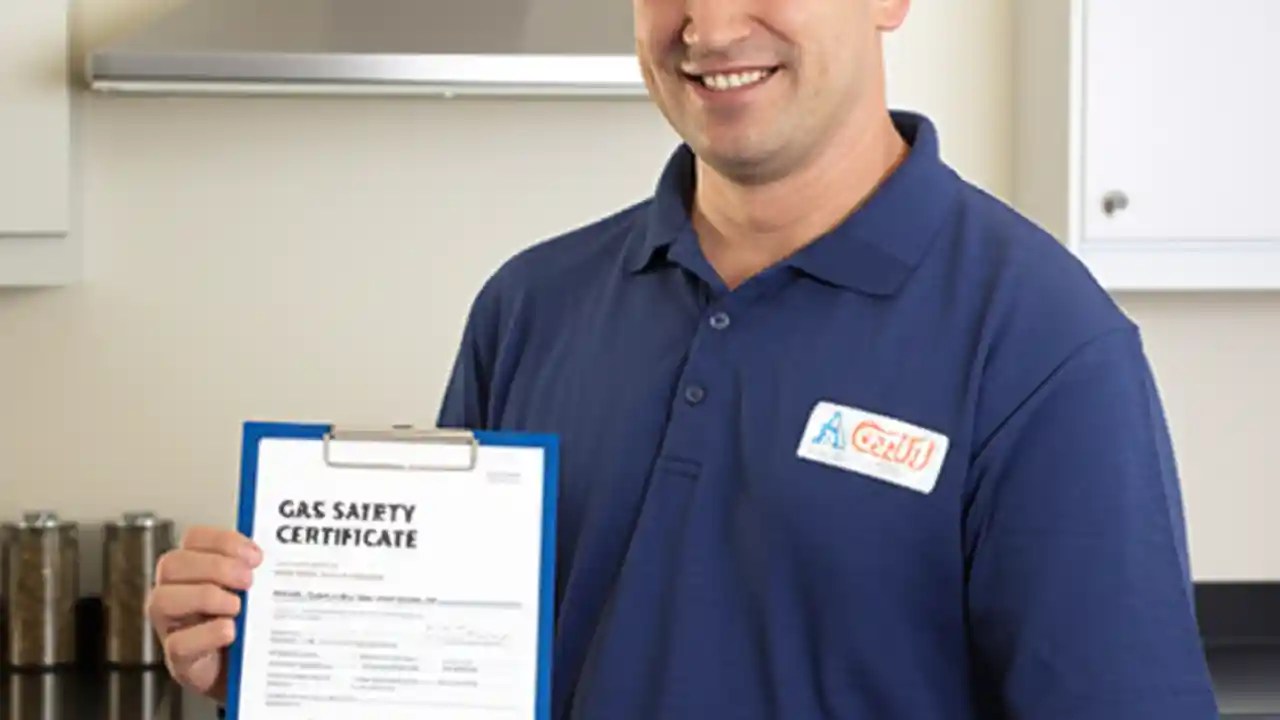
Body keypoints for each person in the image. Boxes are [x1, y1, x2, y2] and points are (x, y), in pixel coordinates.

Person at [146, 0, 1222, 717]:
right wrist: (278, 660)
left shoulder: (1040, 343)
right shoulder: (531, 307)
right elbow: (454, 680)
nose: (707, 25)